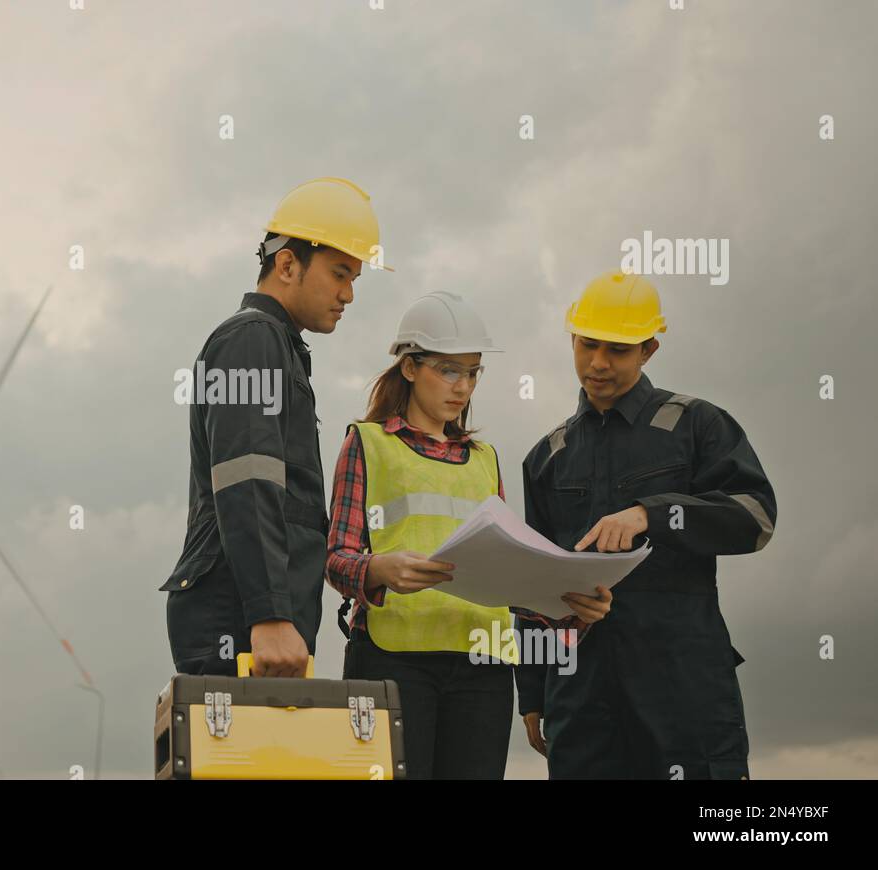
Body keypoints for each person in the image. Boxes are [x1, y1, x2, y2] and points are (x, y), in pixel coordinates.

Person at [326, 291, 611, 779]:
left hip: (482, 667)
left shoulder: (485, 461)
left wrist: (567, 605)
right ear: (410, 367)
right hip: (396, 662)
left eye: (473, 372)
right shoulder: (368, 443)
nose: (463, 387)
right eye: (449, 370)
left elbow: (504, 575)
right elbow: (336, 558)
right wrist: (379, 568)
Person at [516, 271, 777, 779]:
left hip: (682, 687)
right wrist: (531, 689)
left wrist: (651, 514)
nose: (598, 363)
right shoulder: (546, 457)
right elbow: (531, 582)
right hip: (582, 697)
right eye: (588, 344)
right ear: (572, 338)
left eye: (617, 349)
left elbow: (756, 517)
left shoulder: (697, 425)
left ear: (649, 350)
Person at [162, 177, 392, 677]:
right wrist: (268, 615)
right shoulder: (252, 340)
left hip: (260, 614)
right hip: (241, 618)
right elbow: (247, 482)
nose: (348, 294)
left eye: (354, 278)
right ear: (287, 264)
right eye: (339, 274)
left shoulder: (278, 346)